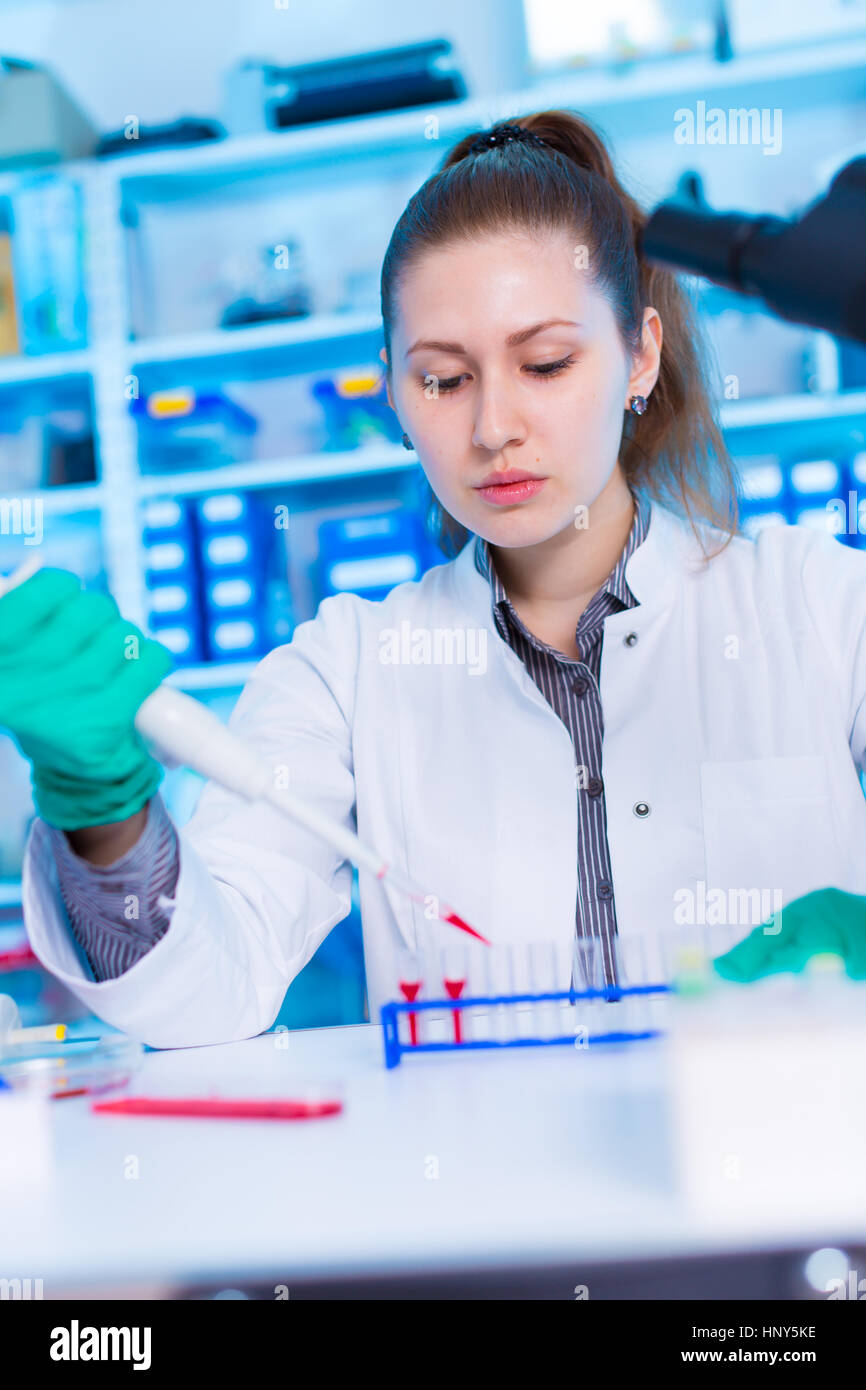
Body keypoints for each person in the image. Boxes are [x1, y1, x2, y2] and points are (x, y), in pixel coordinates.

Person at [3, 111, 866, 1049]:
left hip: (790, 1183)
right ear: (394, 393)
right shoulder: (347, 670)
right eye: (444, 380)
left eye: (545, 363)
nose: (494, 426)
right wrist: (107, 818)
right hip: (482, 1191)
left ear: (641, 356)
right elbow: (207, 993)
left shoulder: (817, 604)